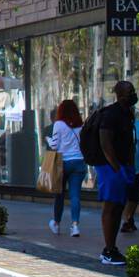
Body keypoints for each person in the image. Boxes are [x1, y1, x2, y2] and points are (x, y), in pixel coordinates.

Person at [94, 80, 138, 265]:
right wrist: (117, 168)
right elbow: (105, 143)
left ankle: (112, 248)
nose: (133, 94)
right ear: (120, 95)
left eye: (133, 91)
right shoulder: (111, 114)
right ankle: (108, 250)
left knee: (119, 206)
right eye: (130, 92)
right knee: (110, 207)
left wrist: (129, 166)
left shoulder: (128, 114)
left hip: (123, 166)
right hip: (109, 167)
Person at [47, 99, 86, 238]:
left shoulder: (58, 124)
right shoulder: (80, 126)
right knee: (75, 196)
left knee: (59, 194)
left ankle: (56, 224)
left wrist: (48, 140)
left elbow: (54, 146)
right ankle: (75, 226)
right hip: (79, 162)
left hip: (62, 163)